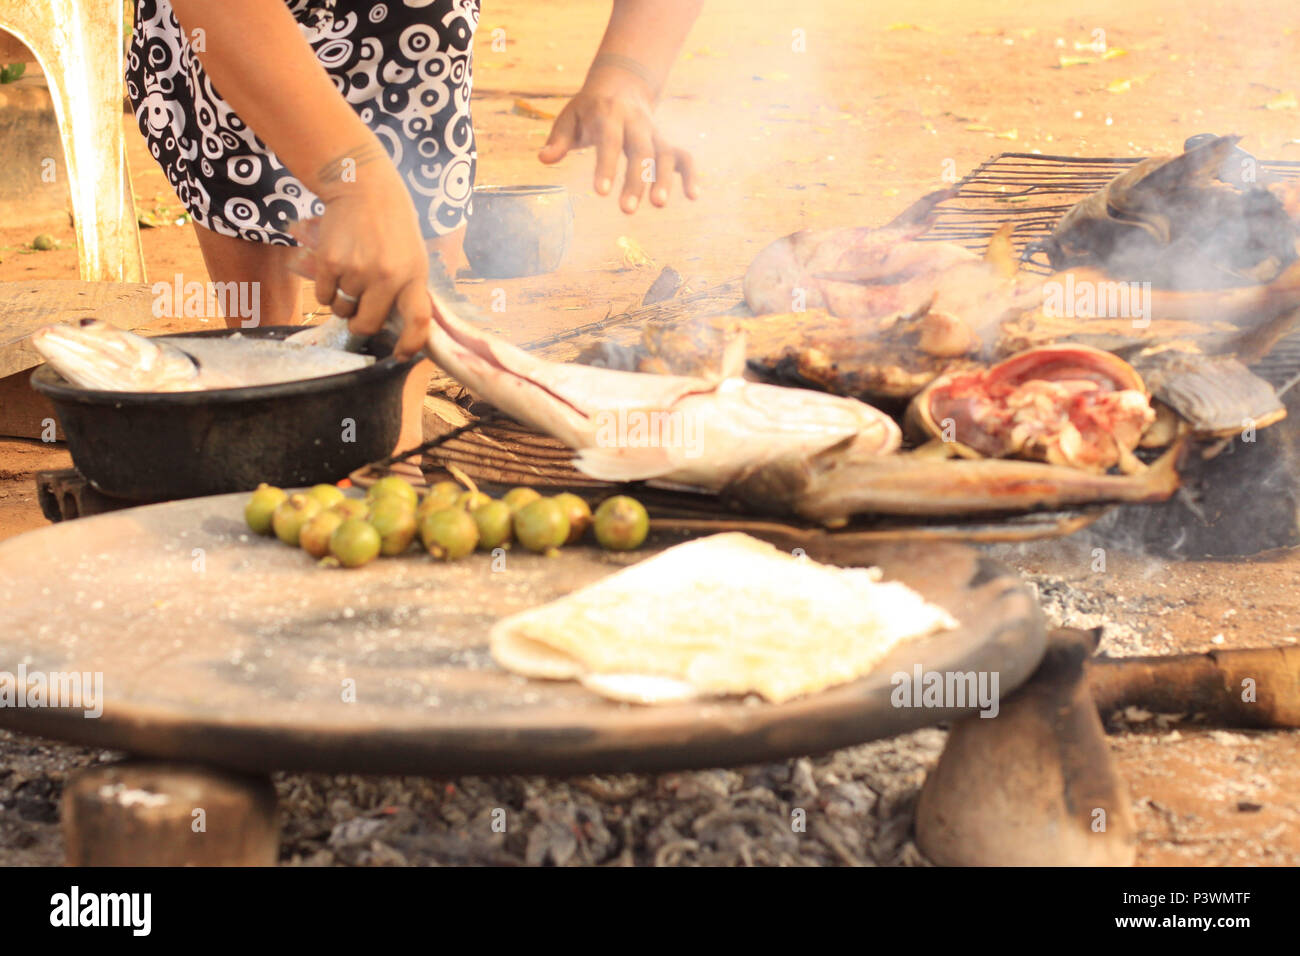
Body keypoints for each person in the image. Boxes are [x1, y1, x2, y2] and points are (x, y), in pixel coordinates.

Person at [126, 0, 702, 453]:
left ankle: (385, 447)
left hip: (411, 17)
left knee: (415, 178)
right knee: (234, 141)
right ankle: (257, 408)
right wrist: (353, 182)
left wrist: (627, 72)